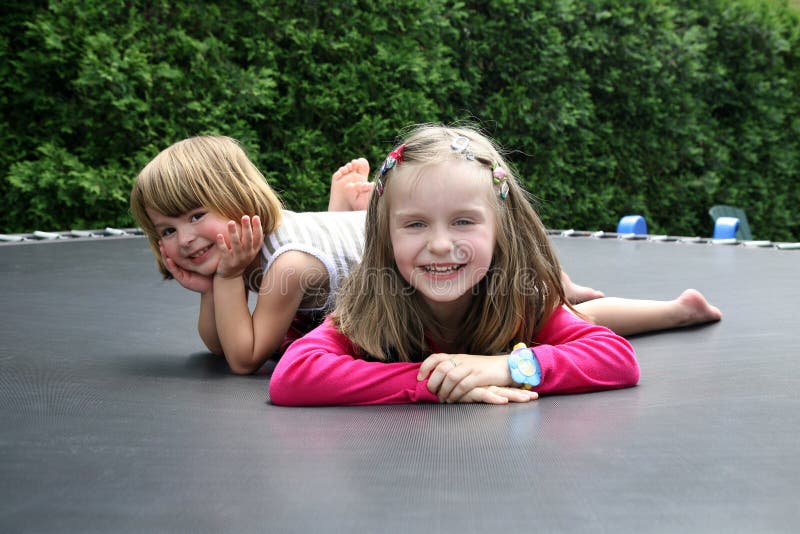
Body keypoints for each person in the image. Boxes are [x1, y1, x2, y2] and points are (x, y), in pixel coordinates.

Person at [268, 124, 642, 405]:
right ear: (386, 237)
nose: (441, 245)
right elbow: (293, 375)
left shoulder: (517, 300)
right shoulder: (373, 306)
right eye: (415, 224)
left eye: (463, 221)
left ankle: (678, 312)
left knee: (580, 309)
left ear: (501, 229)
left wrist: (505, 369)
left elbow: (616, 358)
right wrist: (439, 381)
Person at [130, 135, 371, 375]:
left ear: (237, 198)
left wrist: (228, 277)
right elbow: (220, 346)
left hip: (385, 286)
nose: (185, 240)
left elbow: (245, 359)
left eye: (196, 216)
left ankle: (367, 213)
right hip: (336, 273)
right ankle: (346, 214)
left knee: (304, 343)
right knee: (285, 326)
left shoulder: (289, 264)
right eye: (169, 230)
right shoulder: (238, 247)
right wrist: (211, 289)